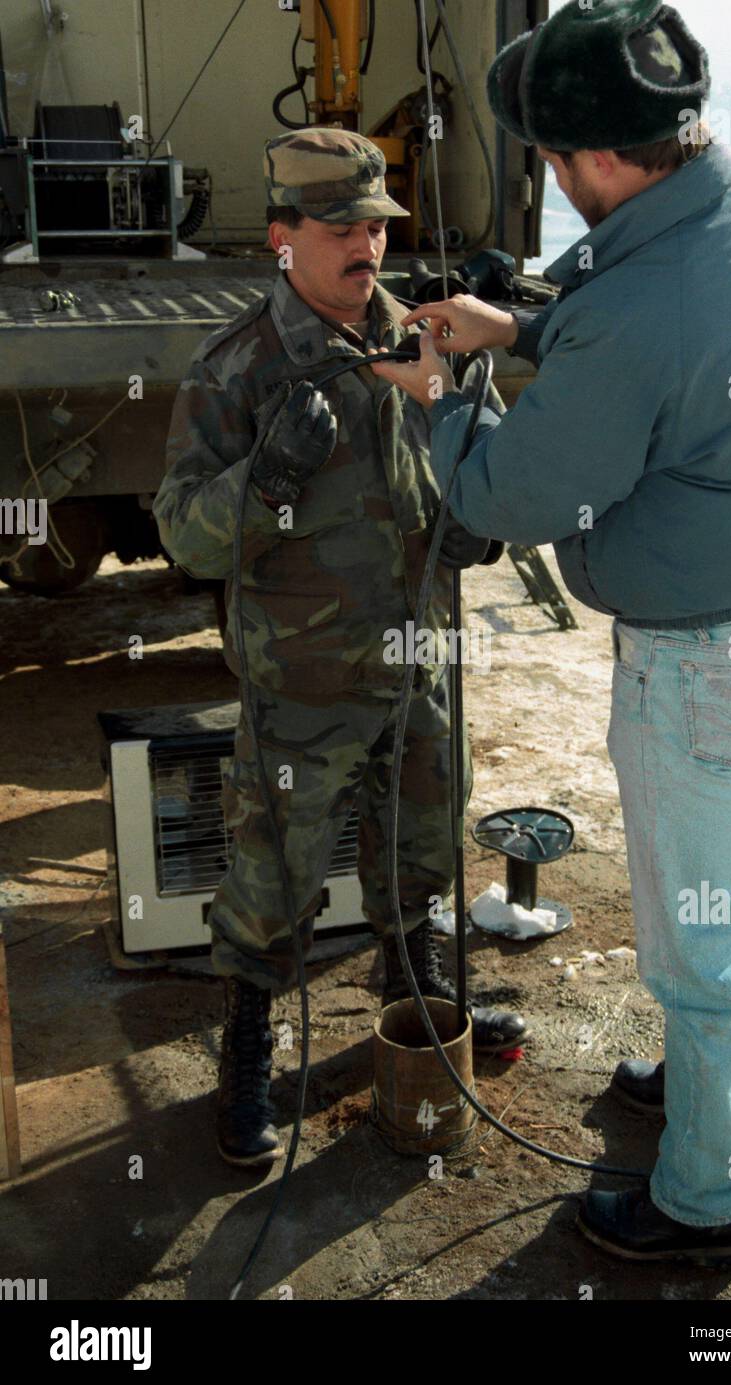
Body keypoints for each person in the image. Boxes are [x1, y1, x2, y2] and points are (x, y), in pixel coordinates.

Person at [370, 0, 731, 1266]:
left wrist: (441, 393)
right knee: (725, 889)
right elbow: (674, 352)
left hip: (699, 662)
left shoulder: (645, 306)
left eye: (543, 157)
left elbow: (503, 498)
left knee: (694, 936)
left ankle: (704, 1203)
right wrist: (527, 331)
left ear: (588, 159)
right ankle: (704, 1078)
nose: (546, 176)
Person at [153, 128, 529, 1169]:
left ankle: (423, 999)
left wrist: (478, 506)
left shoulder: (428, 336)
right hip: (303, 682)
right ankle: (247, 1044)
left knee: (420, 857)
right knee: (274, 878)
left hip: (420, 667)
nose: (367, 244)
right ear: (282, 237)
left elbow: (485, 475)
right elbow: (184, 531)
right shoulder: (235, 368)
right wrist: (266, 481)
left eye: (377, 223)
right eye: (341, 226)